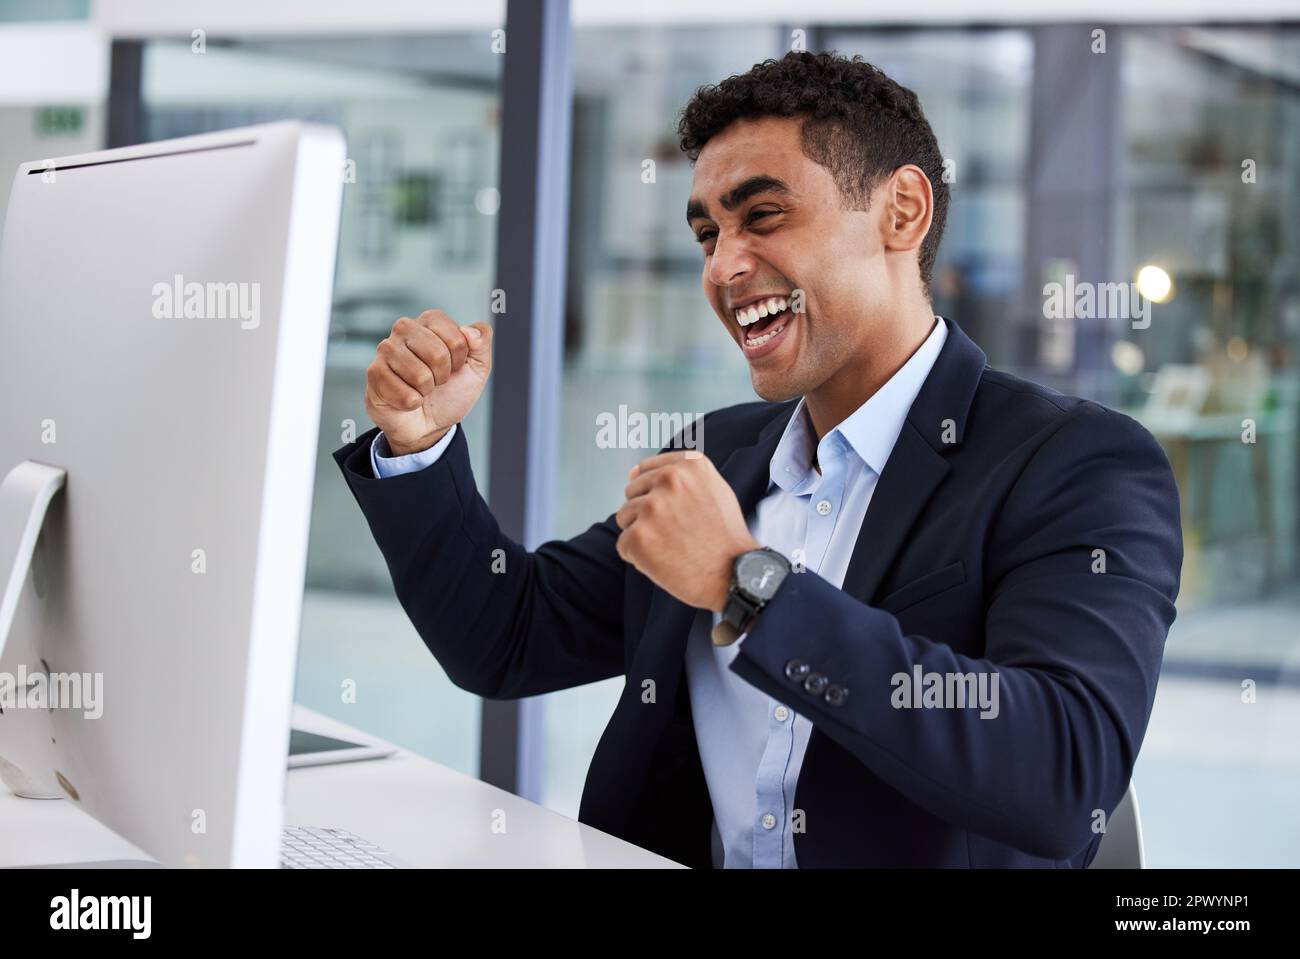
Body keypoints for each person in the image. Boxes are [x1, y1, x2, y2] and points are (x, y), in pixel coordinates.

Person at [333, 51, 1182, 868]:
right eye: (708, 232)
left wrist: (746, 585)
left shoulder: (1077, 463)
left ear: (902, 211)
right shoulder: (719, 454)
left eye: (763, 215)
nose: (722, 265)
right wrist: (419, 442)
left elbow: (1064, 772)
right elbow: (507, 636)